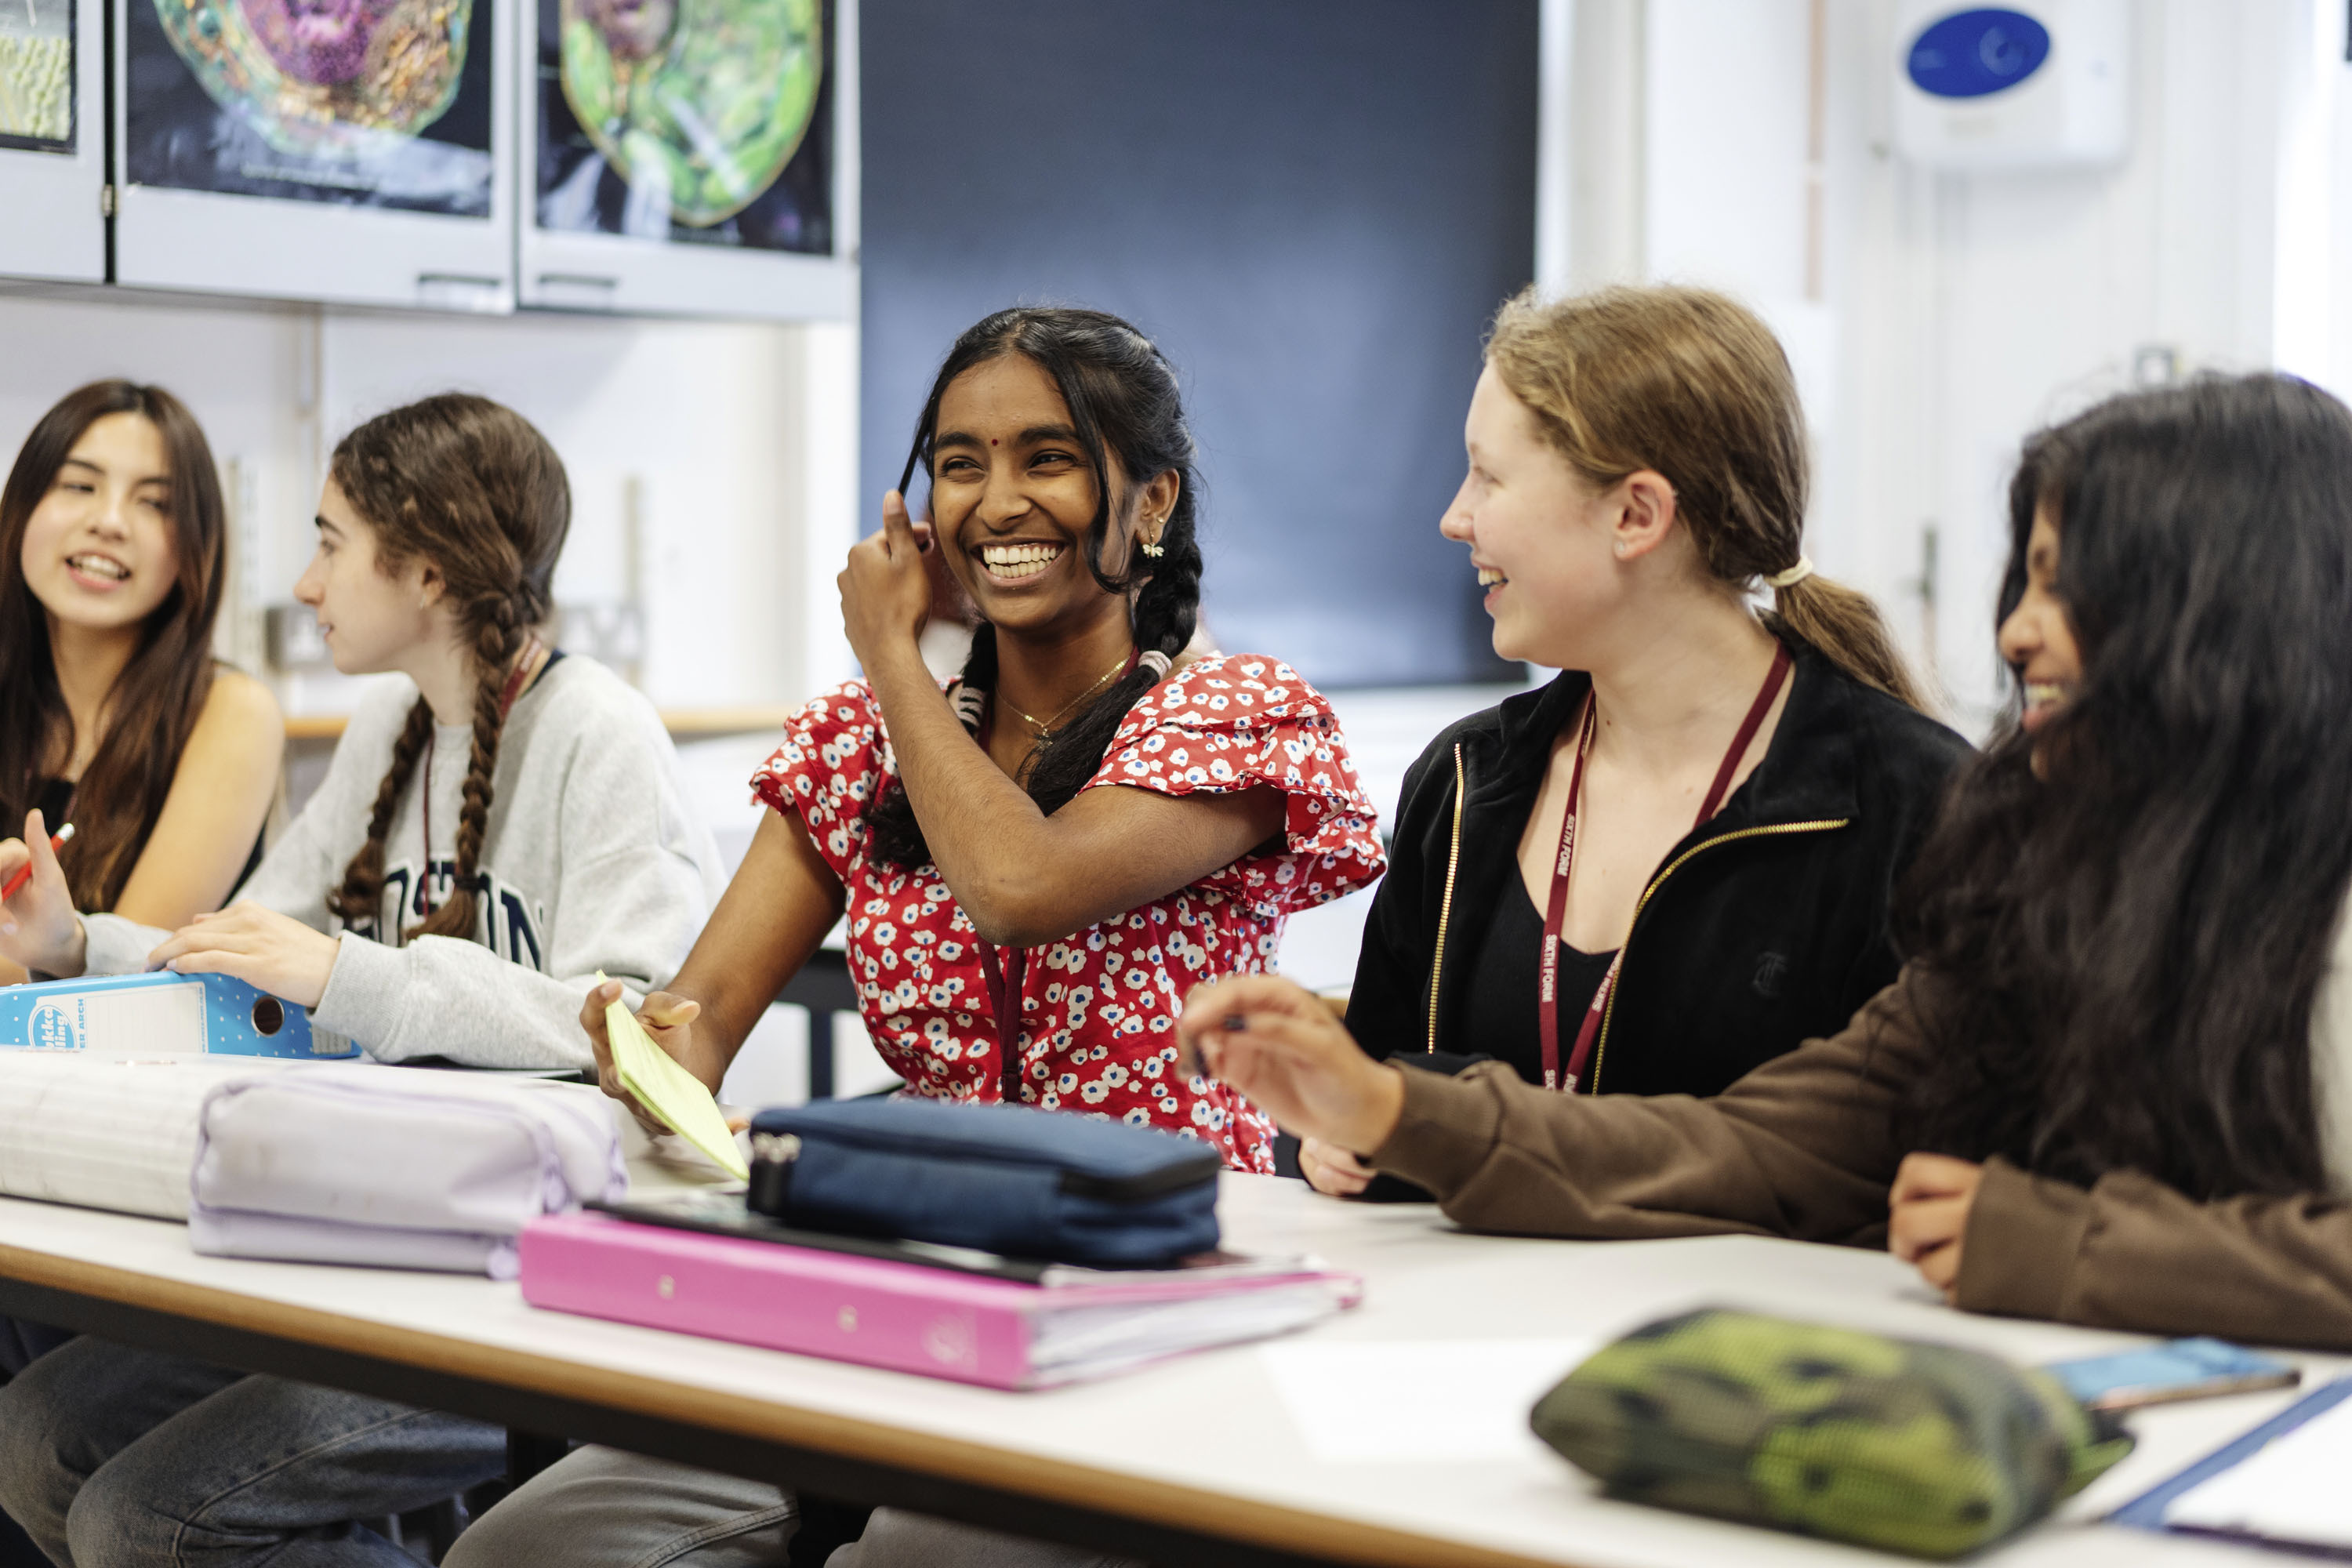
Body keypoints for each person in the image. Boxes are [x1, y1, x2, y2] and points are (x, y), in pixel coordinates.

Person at [444, 306, 1384, 1568]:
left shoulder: (1236, 717)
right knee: (526, 1550)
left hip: (1150, 1286)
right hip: (897, 1276)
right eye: (958, 463)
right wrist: (650, 1044)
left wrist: (894, 649)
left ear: (1148, 502)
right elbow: (705, 1016)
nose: (998, 501)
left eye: (1048, 458)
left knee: (909, 1559)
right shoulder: (855, 745)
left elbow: (1020, 883)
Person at [1181, 372, 2352, 1352]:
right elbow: (1746, 1144)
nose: (2015, 632)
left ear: (2226, 615)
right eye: (2027, 579)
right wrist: (1392, 1107)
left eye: (2067, 583)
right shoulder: (2057, 893)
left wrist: (2069, 1250)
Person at [0, 393, 728, 1567]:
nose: (304, 583)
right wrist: (78, 941)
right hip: (368, 1239)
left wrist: (360, 974)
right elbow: (252, 942)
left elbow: (642, 1026)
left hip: (521, 1282)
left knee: (143, 1521)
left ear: (428, 572)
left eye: (331, 542)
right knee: (33, 1435)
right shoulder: (391, 721)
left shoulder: (599, 731)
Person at [1305, 285, 1968, 1198]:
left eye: (1488, 477)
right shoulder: (1463, 781)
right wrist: (1328, 1139)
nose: (1456, 517)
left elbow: (1906, 1175)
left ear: (1636, 516)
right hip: (1462, 1332)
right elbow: (1376, 1095)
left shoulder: (1917, 805)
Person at [0, 380, 283, 978]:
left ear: (193, 547)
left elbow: (136, 963)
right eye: (79, 486)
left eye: (154, 503)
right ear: (22, 507)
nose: (109, 522)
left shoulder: (230, 713)